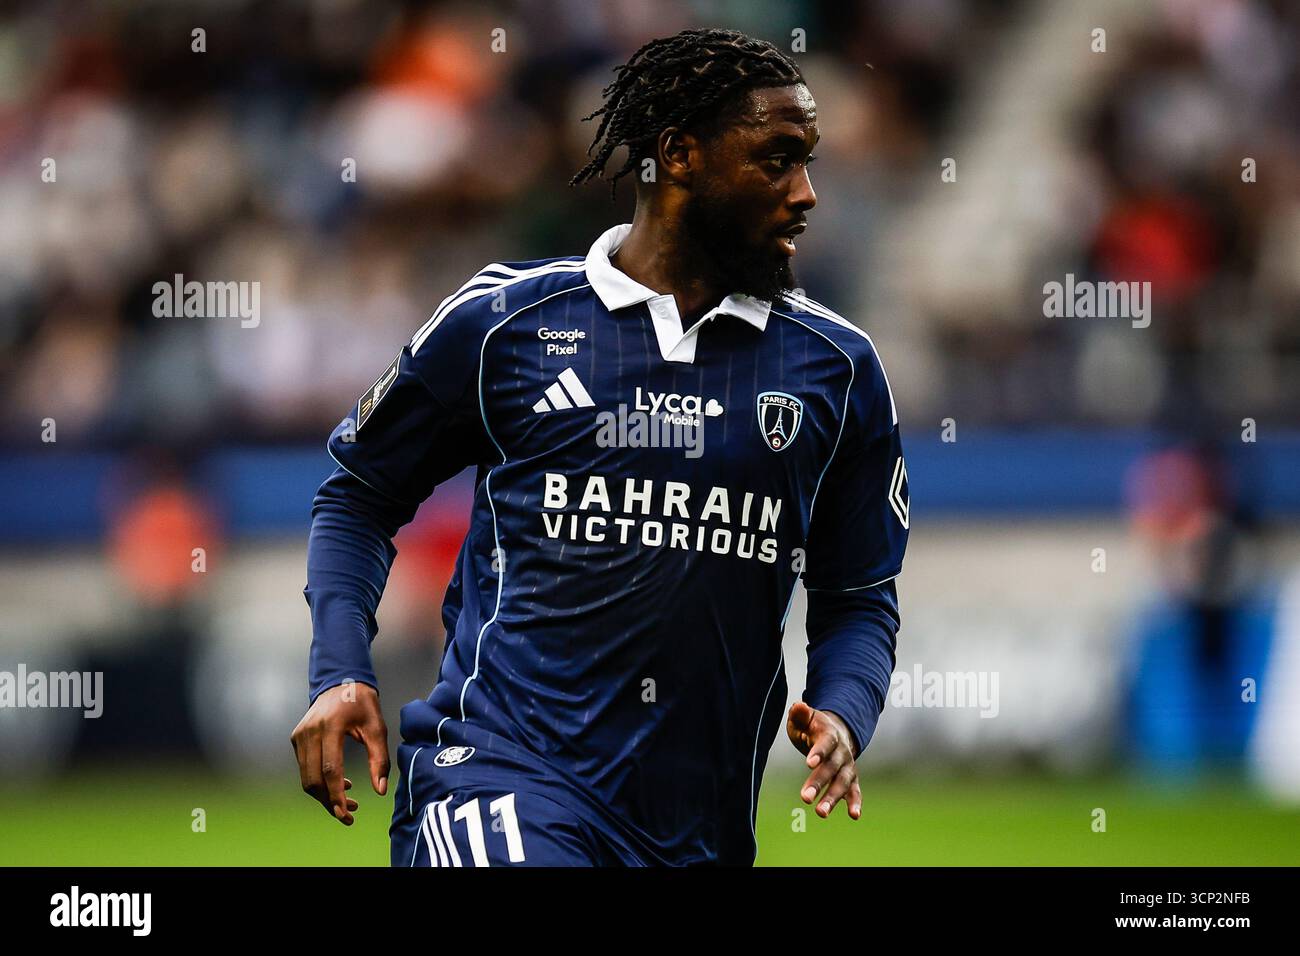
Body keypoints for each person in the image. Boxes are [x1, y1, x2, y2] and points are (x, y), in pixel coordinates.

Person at [291, 27, 909, 866]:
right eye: (775, 160)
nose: (806, 194)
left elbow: (860, 592)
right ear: (680, 155)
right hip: (499, 775)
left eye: (808, 163)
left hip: (697, 828)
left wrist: (843, 708)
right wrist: (339, 668)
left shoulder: (837, 370)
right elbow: (359, 494)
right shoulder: (505, 323)